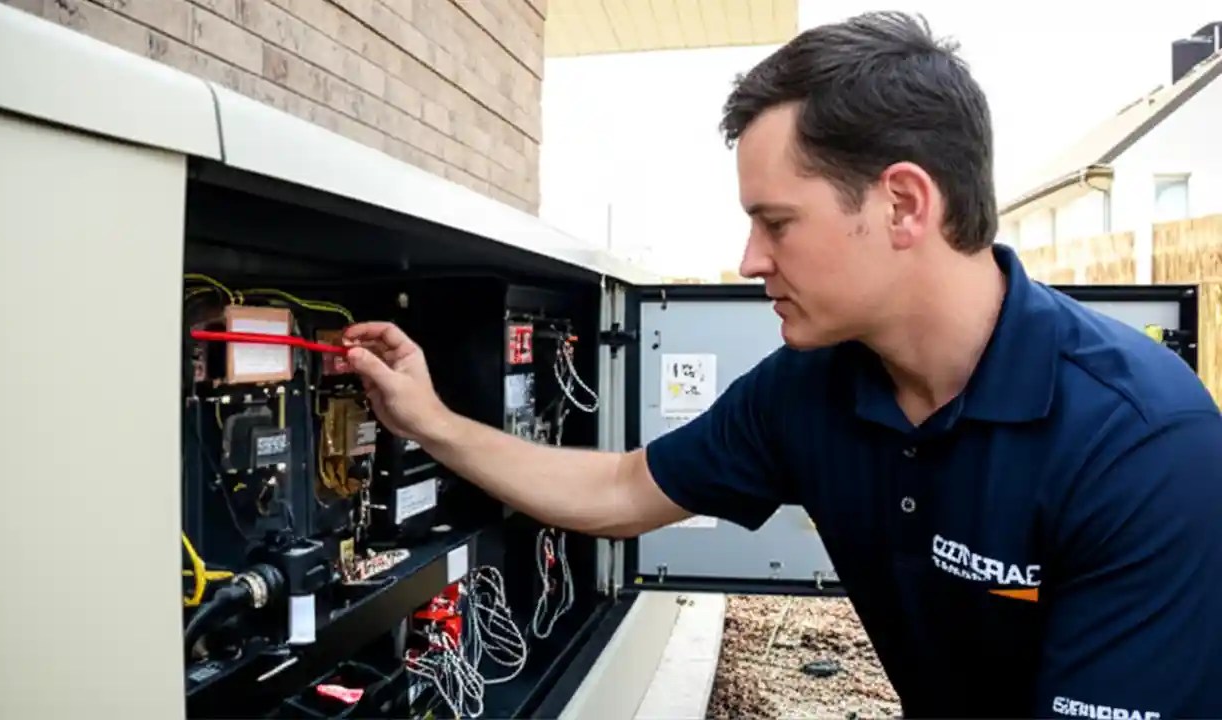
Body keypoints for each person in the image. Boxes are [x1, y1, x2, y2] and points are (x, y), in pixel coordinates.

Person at [343, 11, 1222, 719]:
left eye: (777, 222)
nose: (748, 260)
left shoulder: (1143, 445)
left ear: (904, 204)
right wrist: (431, 422)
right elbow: (618, 491)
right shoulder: (811, 388)